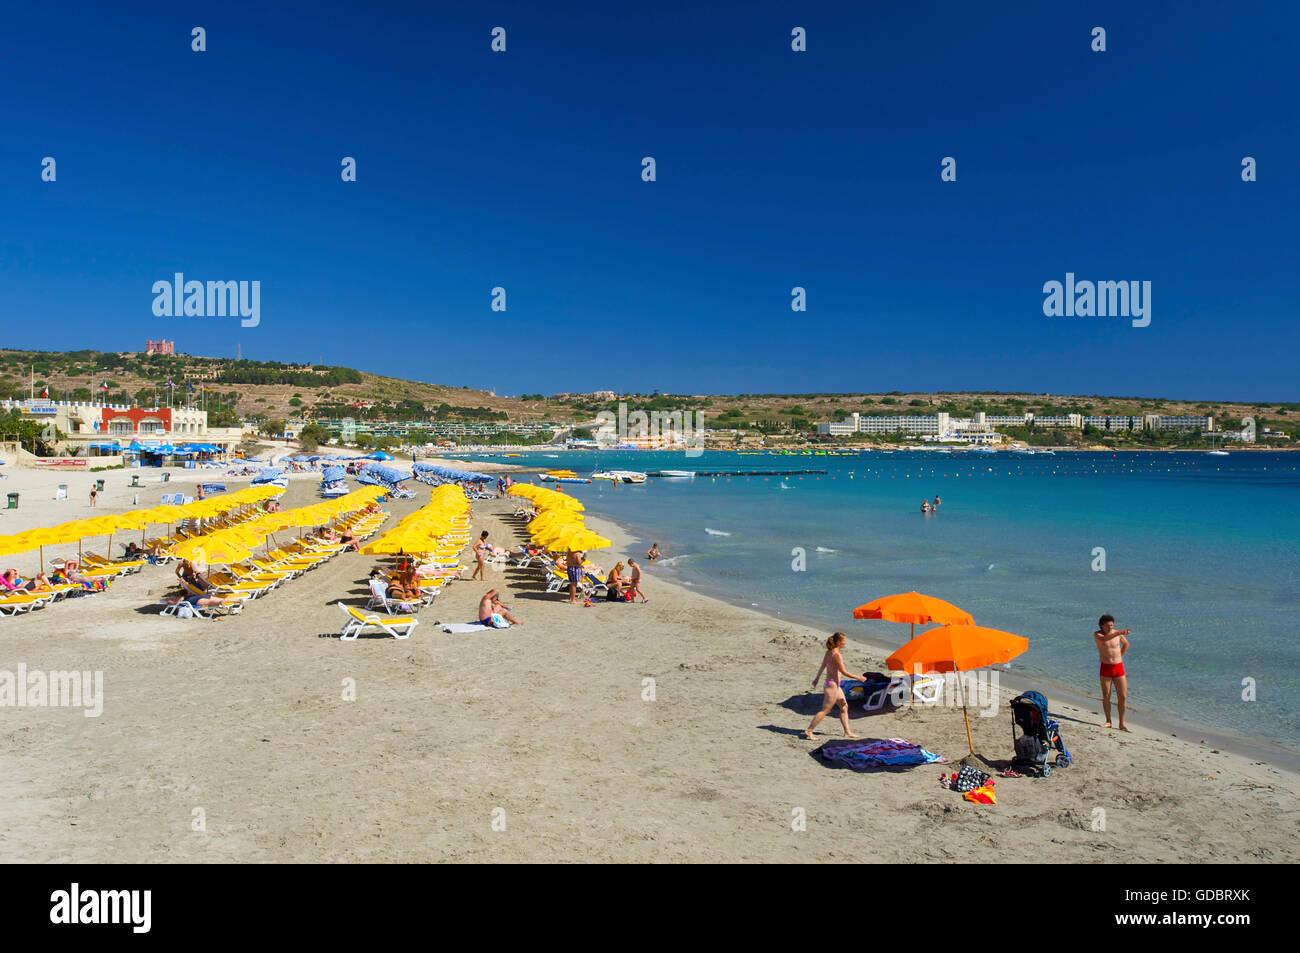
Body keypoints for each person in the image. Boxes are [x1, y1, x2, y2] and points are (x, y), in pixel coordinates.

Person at [805, 632, 863, 740]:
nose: (845, 643)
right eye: (844, 641)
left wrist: (817, 678)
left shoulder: (829, 652)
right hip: (832, 687)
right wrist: (858, 677)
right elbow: (844, 671)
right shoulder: (836, 655)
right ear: (838, 642)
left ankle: (847, 732)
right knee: (825, 710)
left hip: (835, 686)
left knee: (844, 706)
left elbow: (823, 666)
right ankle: (809, 730)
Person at [1094, 614, 1133, 732]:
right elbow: (1105, 639)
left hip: (1118, 667)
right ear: (1102, 625)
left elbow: (1126, 644)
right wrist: (1120, 632)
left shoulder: (1117, 634)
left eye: (1112, 625)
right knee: (1106, 696)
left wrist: (1120, 655)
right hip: (1105, 668)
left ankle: (1122, 723)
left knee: (1123, 696)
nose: (1111, 627)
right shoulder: (1098, 635)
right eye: (1108, 626)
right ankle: (1108, 721)